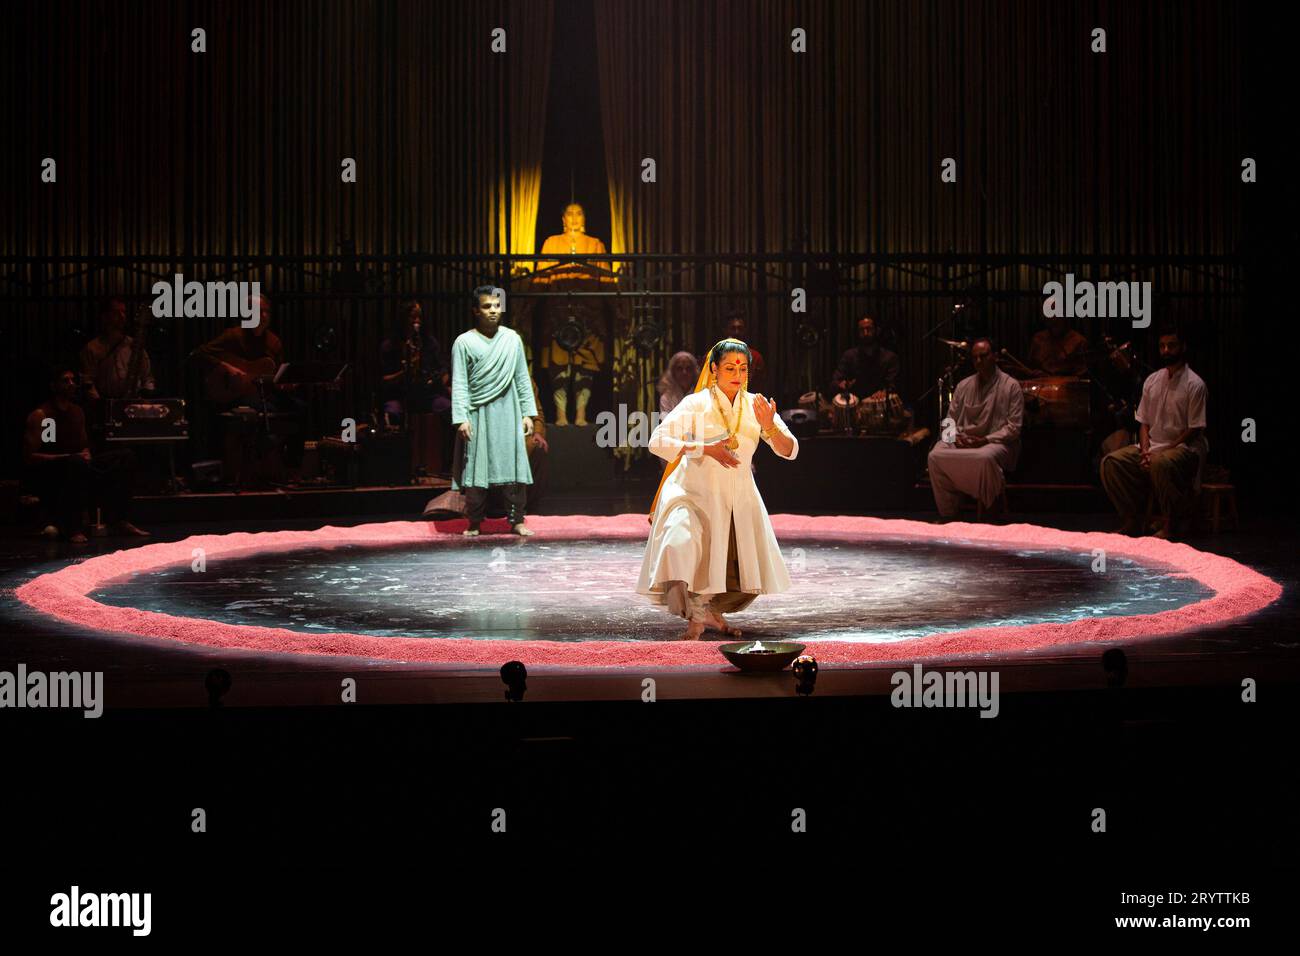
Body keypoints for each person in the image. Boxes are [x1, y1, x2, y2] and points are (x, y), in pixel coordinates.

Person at [637, 338, 799, 641]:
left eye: (742, 368)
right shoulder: (696, 403)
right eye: (729, 367)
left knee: (722, 561)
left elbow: (790, 450)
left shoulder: (756, 405)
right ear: (714, 369)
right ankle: (696, 616)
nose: (737, 374)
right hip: (690, 492)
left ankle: (704, 616)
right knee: (682, 544)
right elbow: (657, 442)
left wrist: (772, 427)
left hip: (735, 496)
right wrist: (703, 448)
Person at [1099, 326, 1207, 539]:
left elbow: (1194, 429)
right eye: (1162, 346)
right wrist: (1146, 451)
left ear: (1182, 347)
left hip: (1184, 448)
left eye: (1171, 345)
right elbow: (1144, 422)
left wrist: (1162, 451)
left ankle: (1172, 524)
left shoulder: (1195, 384)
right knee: (1111, 462)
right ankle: (1133, 520)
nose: (1166, 350)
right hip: (1154, 447)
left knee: (1161, 462)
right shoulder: (1153, 381)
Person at [22, 364, 148, 542]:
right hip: (56, 469)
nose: (71, 384)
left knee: (125, 457)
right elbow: (35, 455)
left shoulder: (76, 412)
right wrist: (70, 457)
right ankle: (72, 528)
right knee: (76, 463)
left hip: (79, 463)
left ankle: (118, 519)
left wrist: (86, 453)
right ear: (54, 386)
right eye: (66, 381)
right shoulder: (46, 416)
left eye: (73, 380)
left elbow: (83, 445)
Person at [450, 286, 537, 536]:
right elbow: (460, 383)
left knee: (514, 469)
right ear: (476, 311)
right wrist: (461, 419)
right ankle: (475, 520)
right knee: (477, 469)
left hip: (508, 412)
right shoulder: (464, 342)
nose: (493, 311)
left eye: (497, 306)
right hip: (478, 414)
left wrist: (528, 414)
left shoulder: (512, 339)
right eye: (487, 307)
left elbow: (522, 378)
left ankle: (517, 519)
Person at [927, 337, 1024, 518]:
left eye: (984, 356)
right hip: (963, 440)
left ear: (994, 356)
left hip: (995, 442)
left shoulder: (1011, 386)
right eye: (975, 358)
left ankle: (989, 515)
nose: (979, 361)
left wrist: (985, 439)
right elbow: (949, 421)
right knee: (935, 455)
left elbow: (1014, 429)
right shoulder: (963, 386)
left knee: (983, 457)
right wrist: (955, 438)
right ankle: (949, 515)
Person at [79, 297, 155, 402]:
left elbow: (147, 377)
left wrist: (145, 396)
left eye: (123, 312)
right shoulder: (92, 348)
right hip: (106, 404)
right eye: (116, 312)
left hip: (134, 404)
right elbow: (87, 381)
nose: (122, 316)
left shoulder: (135, 345)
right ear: (105, 316)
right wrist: (100, 405)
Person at [831, 315, 900, 400]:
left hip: (881, 406)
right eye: (861, 330)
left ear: (877, 331)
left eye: (869, 329)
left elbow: (894, 384)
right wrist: (841, 385)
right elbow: (835, 381)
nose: (865, 333)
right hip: (855, 406)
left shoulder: (889, 357)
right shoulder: (849, 356)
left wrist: (885, 391)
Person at [657, 351, 701, 415]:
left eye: (688, 368)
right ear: (673, 372)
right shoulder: (667, 398)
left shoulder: (702, 393)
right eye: (679, 368)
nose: (684, 373)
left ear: (694, 372)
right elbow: (667, 423)